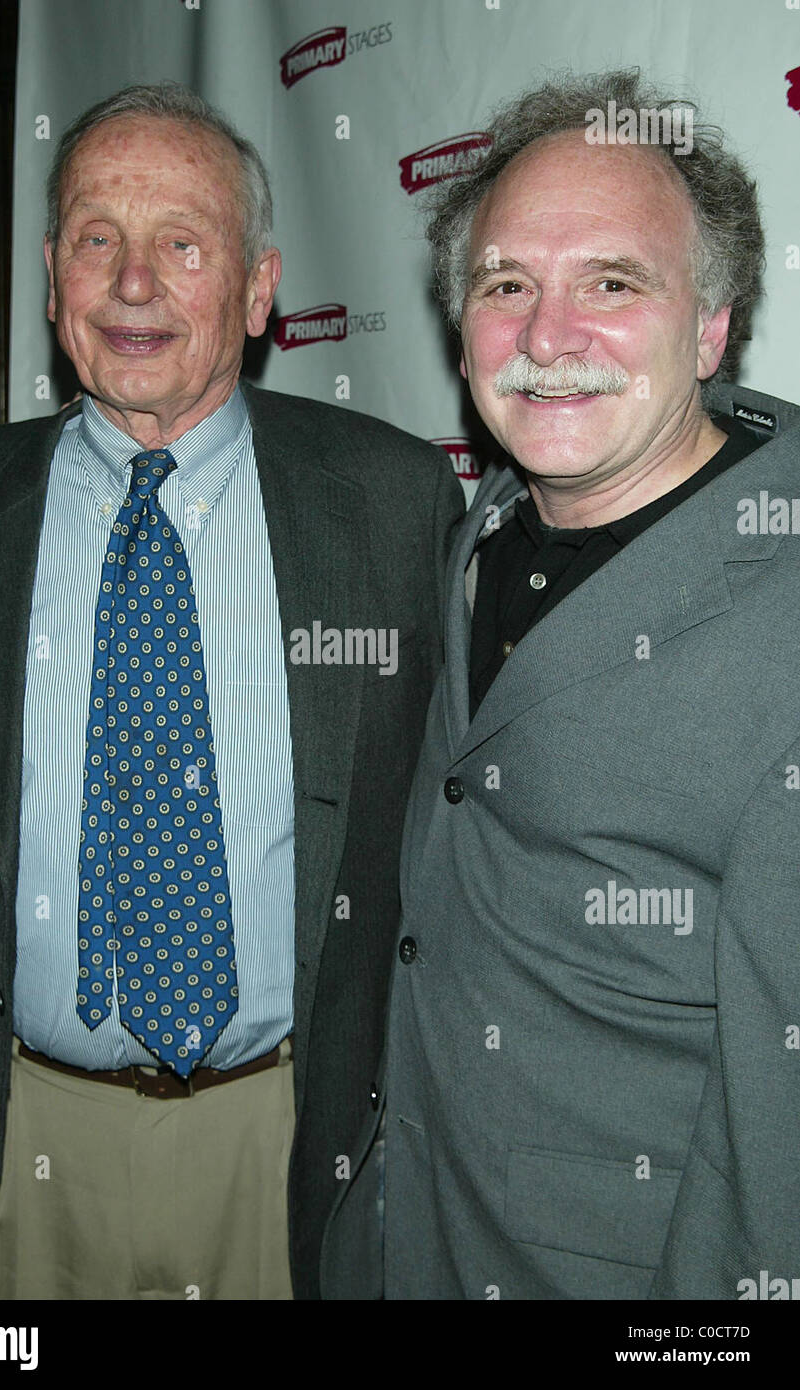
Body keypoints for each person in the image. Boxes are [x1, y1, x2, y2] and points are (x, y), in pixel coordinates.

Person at [0, 81, 464, 1300]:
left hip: (290, 1145)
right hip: (9, 1139)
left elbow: (452, 832)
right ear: (52, 278)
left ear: (258, 288)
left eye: (181, 243)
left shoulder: (397, 507)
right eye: (97, 238)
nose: (133, 282)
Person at [323, 68, 800, 1300]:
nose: (545, 338)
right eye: (506, 287)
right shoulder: (469, 531)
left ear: (709, 324)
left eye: (611, 282)